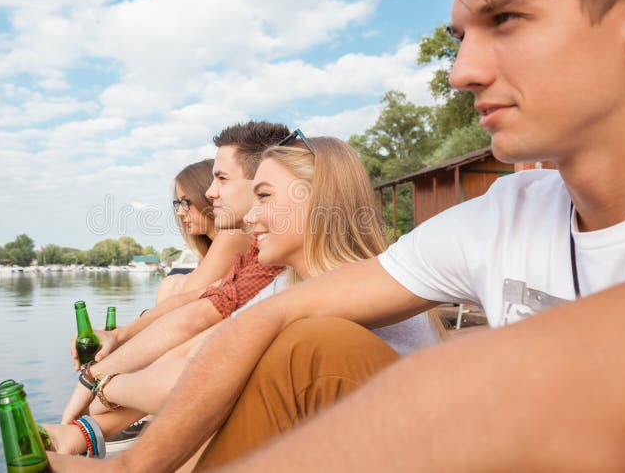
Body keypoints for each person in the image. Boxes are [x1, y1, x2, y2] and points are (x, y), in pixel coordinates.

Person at [47, 0, 625, 470]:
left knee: (315, 346)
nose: (461, 72)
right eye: (460, 39)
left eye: (506, 18)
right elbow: (255, 322)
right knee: (303, 339)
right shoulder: (505, 213)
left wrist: (103, 393)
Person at [43, 136, 442, 459]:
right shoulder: (286, 288)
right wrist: (86, 425)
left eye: (264, 197)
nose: (249, 219)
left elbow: (193, 377)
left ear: (316, 201)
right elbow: (199, 355)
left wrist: (105, 384)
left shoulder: (361, 297)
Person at [60, 121, 290, 424]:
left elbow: (195, 320)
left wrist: (99, 382)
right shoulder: (258, 251)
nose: (210, 193)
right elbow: (198, 301)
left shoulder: (252, 246)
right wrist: (119, 340)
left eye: (221, 179)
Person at [154, 158, 252, 306]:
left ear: (207, 197)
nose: (180, 212)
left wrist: (144, 316)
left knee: (171, 283)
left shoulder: (234, 235)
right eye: (178, 204)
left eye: (186, 202)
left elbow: (181, 305)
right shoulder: (223, 242)